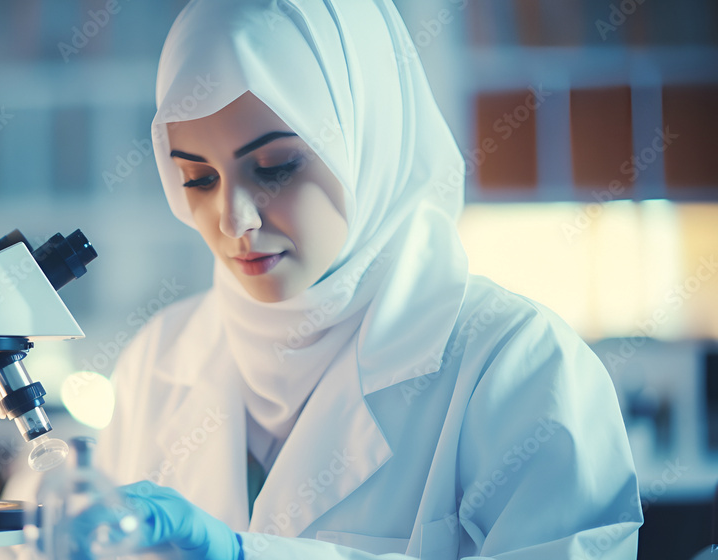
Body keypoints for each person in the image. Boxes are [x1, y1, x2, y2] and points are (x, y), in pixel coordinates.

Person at [94, 0, 643, 558]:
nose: (235, 219)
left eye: (275, 166)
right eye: (198, 178)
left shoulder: (517, 363)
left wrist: (247, 554)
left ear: (366, 141)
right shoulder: (155, 363)